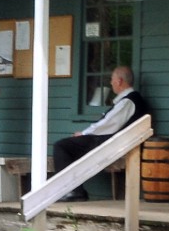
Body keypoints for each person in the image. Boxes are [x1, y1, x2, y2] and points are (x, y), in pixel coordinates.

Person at [54, 66, 148, 202]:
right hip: (115, 141)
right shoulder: (130, 100)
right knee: (68, 147)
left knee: (62, 146)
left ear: (119, 81)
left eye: (112, 79)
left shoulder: (128, 101)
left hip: (111, 144)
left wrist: (84, 134)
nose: (111, 83)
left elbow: (108, 124)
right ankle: (74, 190)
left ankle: (75, 191)